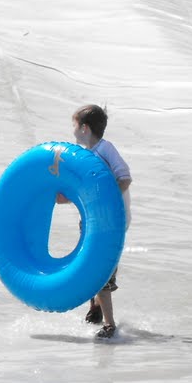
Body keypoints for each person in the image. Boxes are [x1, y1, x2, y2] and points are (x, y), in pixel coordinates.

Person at [67, 104, 132, 339]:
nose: (72, 130)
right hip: (92, 221)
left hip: (110, 222)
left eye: (74, 125)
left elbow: (125, 177)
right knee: (89, 265)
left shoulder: (105, 149)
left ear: (84, 128)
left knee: (100, 272)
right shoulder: (84, 155)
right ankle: (95, 307)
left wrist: (106, 203)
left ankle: (109, 325)